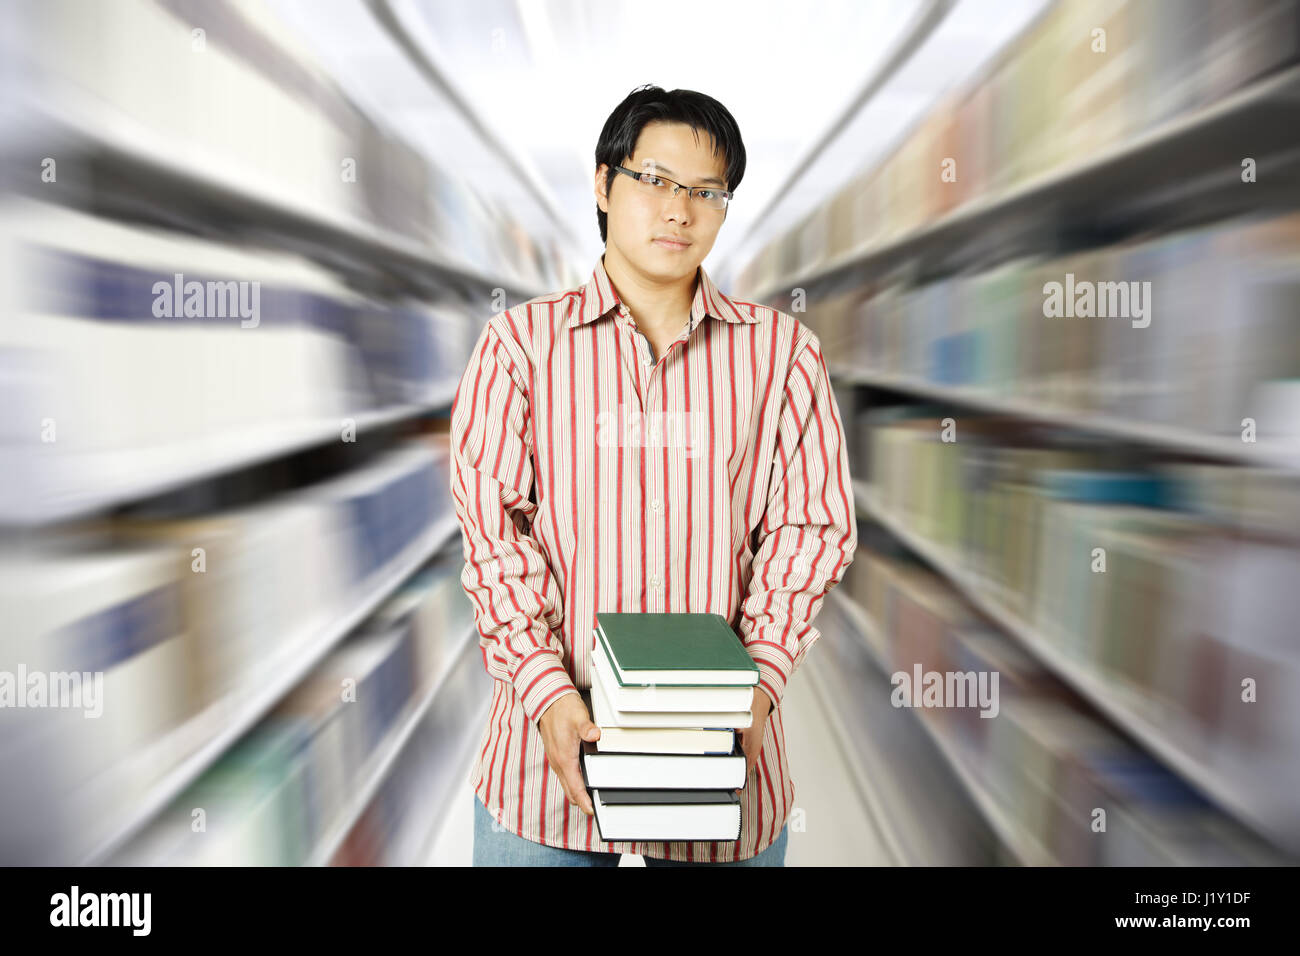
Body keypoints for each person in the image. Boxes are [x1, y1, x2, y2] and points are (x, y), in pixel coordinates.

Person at [450, 84, 857, 866]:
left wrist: (759, 684)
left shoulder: (782, 355)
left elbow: (810, 530)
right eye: (656, 181)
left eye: (707, 192)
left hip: (722, 768)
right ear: (604, 184)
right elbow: (494, 539)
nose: (680, 211)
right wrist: (546, 693)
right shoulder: (520, 348)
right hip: (543, 773)